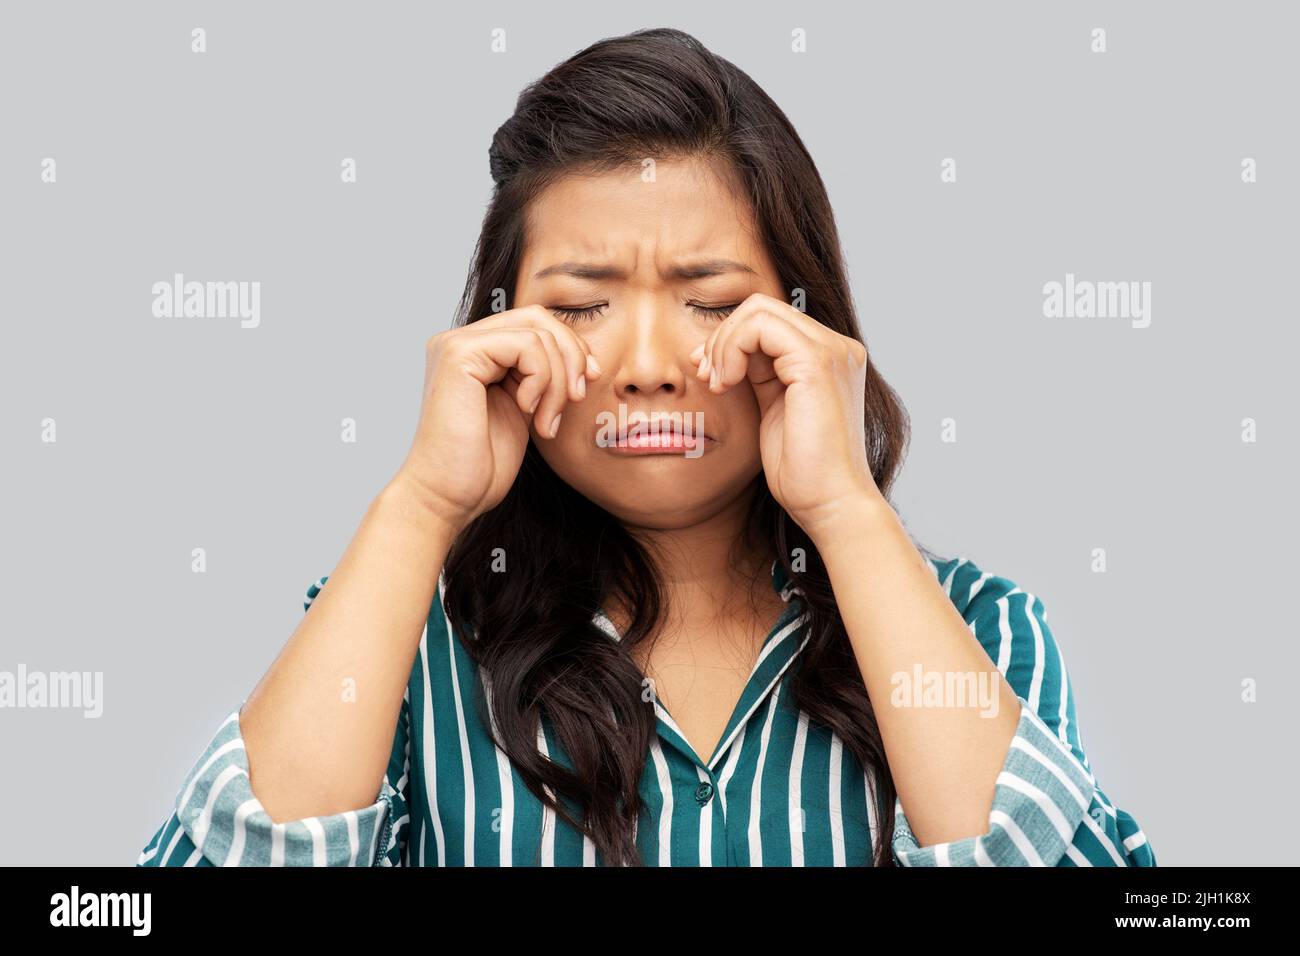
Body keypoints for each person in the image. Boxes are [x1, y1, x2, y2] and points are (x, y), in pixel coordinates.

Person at [137, 27, 1154, 868]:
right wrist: (419, 503)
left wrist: (846, 510)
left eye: (709, 301)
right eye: (580, 305)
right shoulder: (404, 638)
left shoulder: (981, 627)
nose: (648, 364)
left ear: (804, 322)